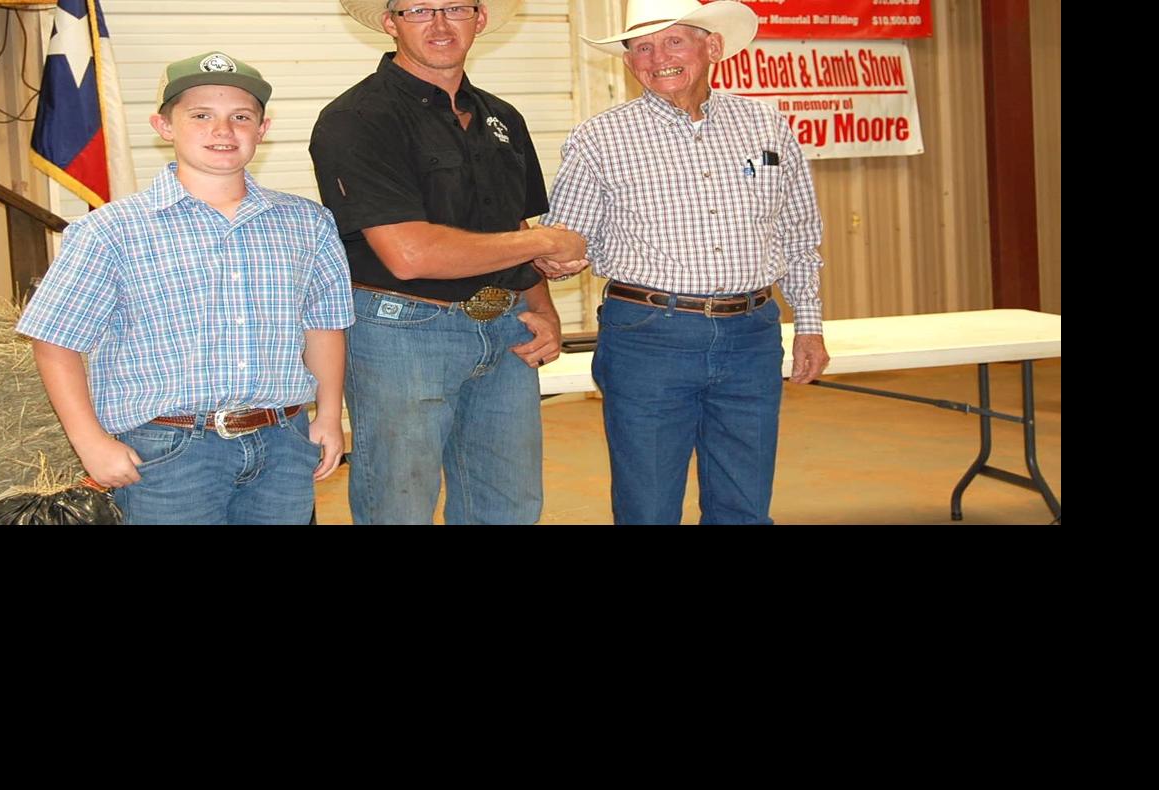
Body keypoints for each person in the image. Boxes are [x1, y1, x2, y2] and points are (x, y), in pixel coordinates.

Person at [17, 51, 355, 525]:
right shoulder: (111, 231)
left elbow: (325, 327)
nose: (223, 131)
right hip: (168, 453)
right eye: (201, 116)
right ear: (164, 126)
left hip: (283, 442)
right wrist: (91, 442)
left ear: (262, 129)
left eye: (241, 117)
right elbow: (55, 342)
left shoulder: (307, 224)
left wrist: (327, 416)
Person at [541, 0, 831, 525]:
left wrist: (808, 324)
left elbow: (798, 232)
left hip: (753, 335)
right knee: (648, 507)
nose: (658, 58)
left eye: (674, 41)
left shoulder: (765, 124)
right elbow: (568, 239)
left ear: (712, 47)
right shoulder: (599, 139)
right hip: (648, 337)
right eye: (643, 48)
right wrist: (545, 255)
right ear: (629, 63)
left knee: (744, 505)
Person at [310, 1, 586, 524]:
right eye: (418, 9)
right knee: (401, 505)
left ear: (479, 20)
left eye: (455, 7)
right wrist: (545, 244)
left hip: (504, 329)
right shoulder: (356, 119)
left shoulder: (502, 118)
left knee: (508, 505)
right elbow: (409, 254)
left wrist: (543, 309)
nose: (439, 24)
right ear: (390, 23)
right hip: (402, 336)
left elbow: (515, 226)